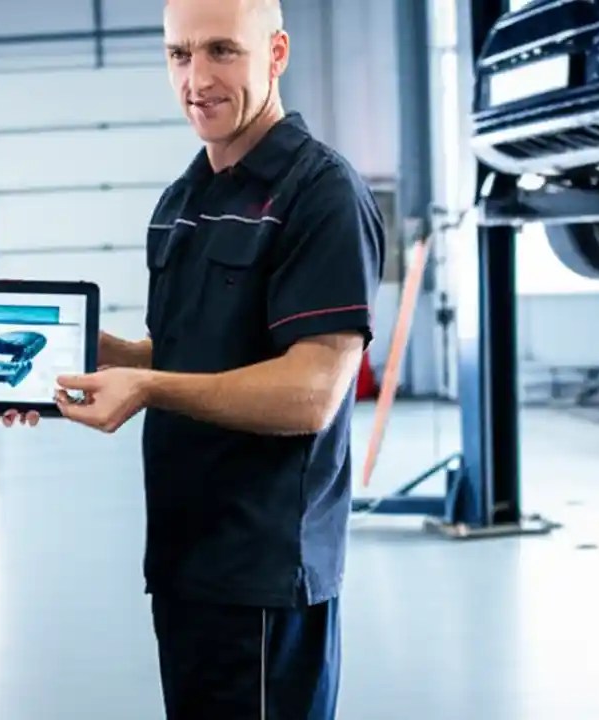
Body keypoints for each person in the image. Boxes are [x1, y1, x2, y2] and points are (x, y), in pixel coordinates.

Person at [53, 0, 385, 716]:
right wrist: (95, 352)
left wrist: (147, 386)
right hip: (185, 561)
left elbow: (312, 391)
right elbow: (184, 355)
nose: (195, 78)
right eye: (178, 54)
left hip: (262, 572)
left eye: (221, 52)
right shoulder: (185, 195)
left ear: (277, 53)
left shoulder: (320, 193)